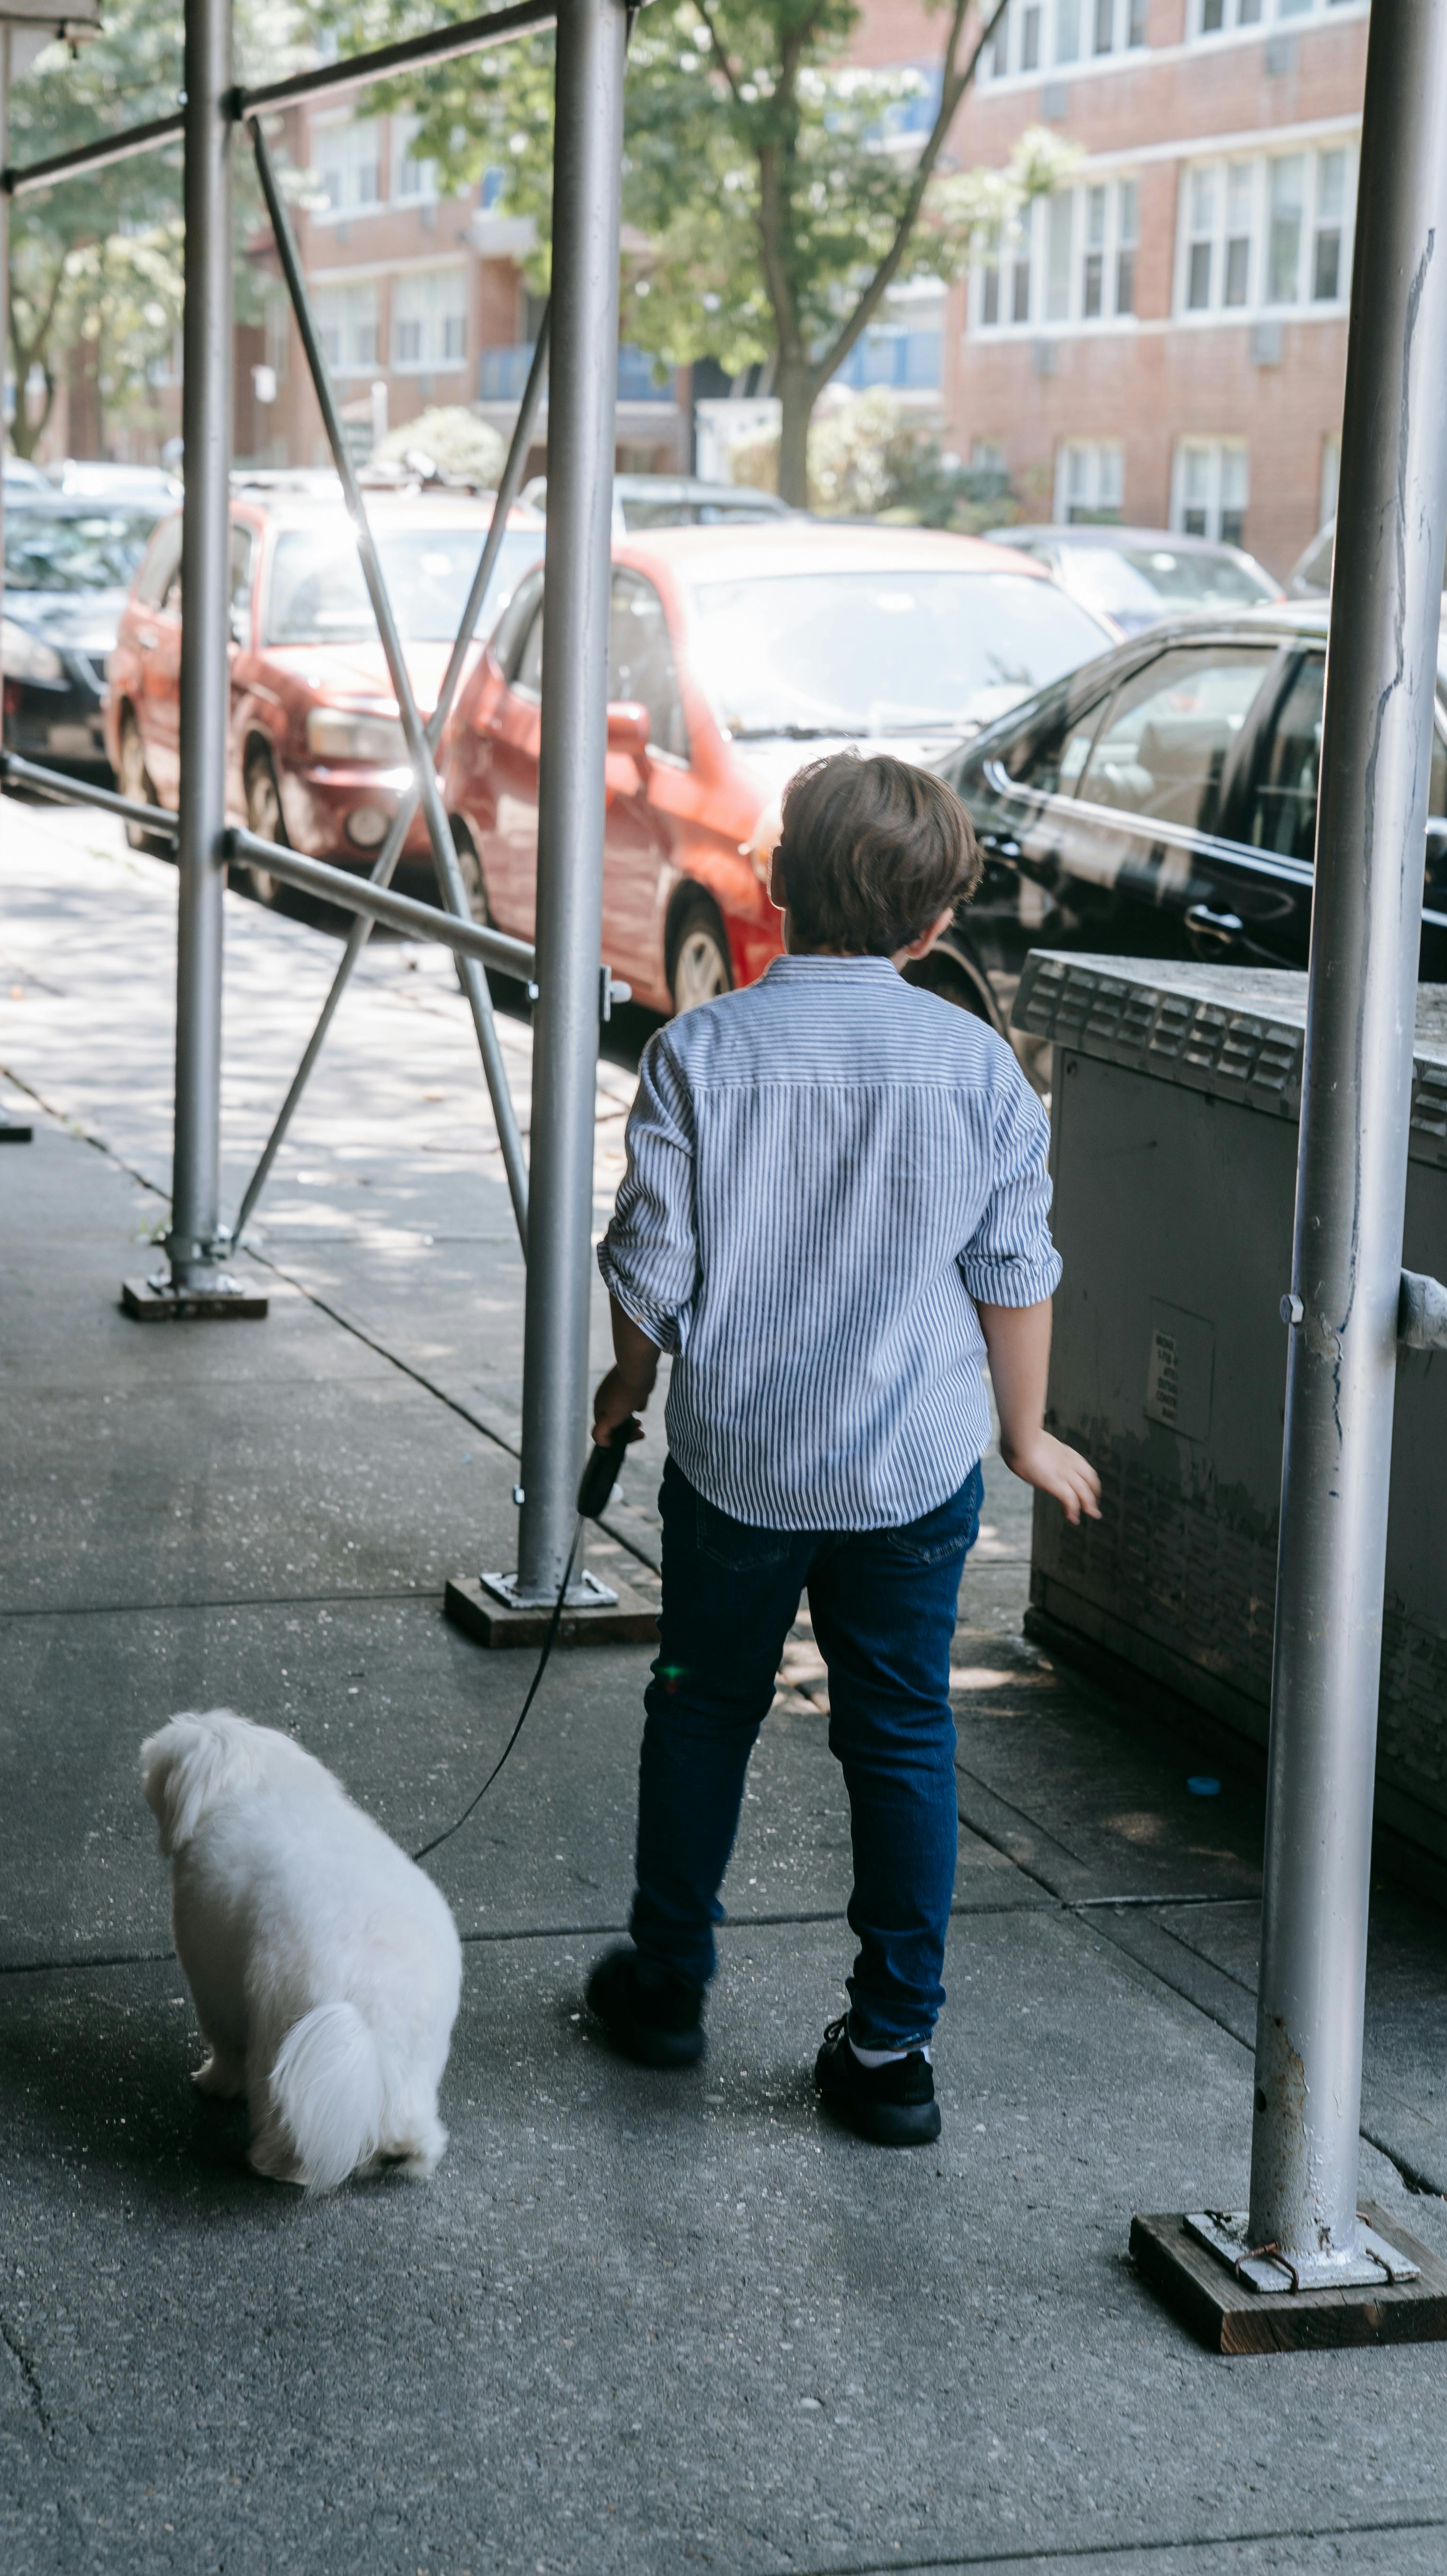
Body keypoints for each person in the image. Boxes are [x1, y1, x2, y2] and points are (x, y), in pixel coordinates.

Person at [584, 752, 1101, 2147]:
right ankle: (890, 2046)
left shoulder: (698, 1051)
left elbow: (648, 1265)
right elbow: (1013, 1268)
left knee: (700, 1705)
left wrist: (622, 1389)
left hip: (739, 1464)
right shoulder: (975, 1066)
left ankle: (669, 1982)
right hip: (910, 1472)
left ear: (770, 884)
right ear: (933, 924)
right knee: (901, 1730)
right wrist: (1025, 1431)